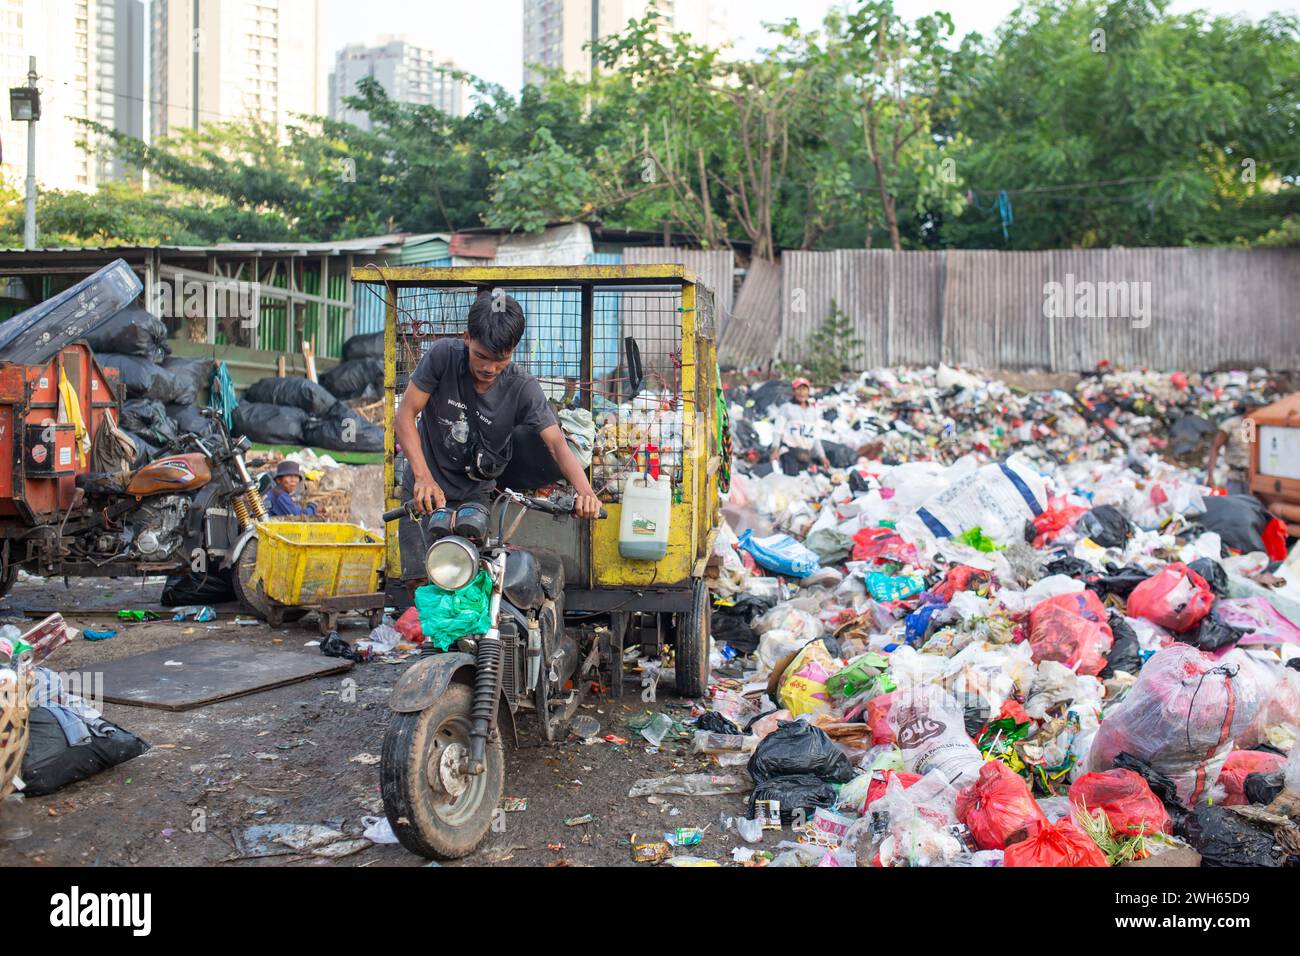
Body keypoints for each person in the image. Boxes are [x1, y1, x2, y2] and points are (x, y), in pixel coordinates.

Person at [393, 290, 601, 586]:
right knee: (418, 588)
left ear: (514, 350)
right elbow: (405, 415)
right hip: (424, 491)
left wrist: (586, 493)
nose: (489, 368)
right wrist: (423, 477)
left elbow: (556, 444)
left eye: (500, 360)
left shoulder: (521, 387)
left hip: (474, 496)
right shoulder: (442, 357)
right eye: (481, 356)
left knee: (468, 586)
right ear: (466, 338)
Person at [769, 377, 831, 476]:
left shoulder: (813, 412)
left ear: (808, 391)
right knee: (791, 482)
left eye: (804, 389)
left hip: (805, 454)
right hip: (789, 452)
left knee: (803, 483)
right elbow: (778, 431)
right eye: (799, 389)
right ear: (793, 391)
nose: (801, 393)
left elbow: (815, 437)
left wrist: (822, 457)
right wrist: (775, 449)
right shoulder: (786, 408)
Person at [1207, 405, 1254, 495]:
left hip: (1253, 479)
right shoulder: (1231, 425)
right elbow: (1215, 447)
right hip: (1235, 477)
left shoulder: (1259, 424)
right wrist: (1210, 475)